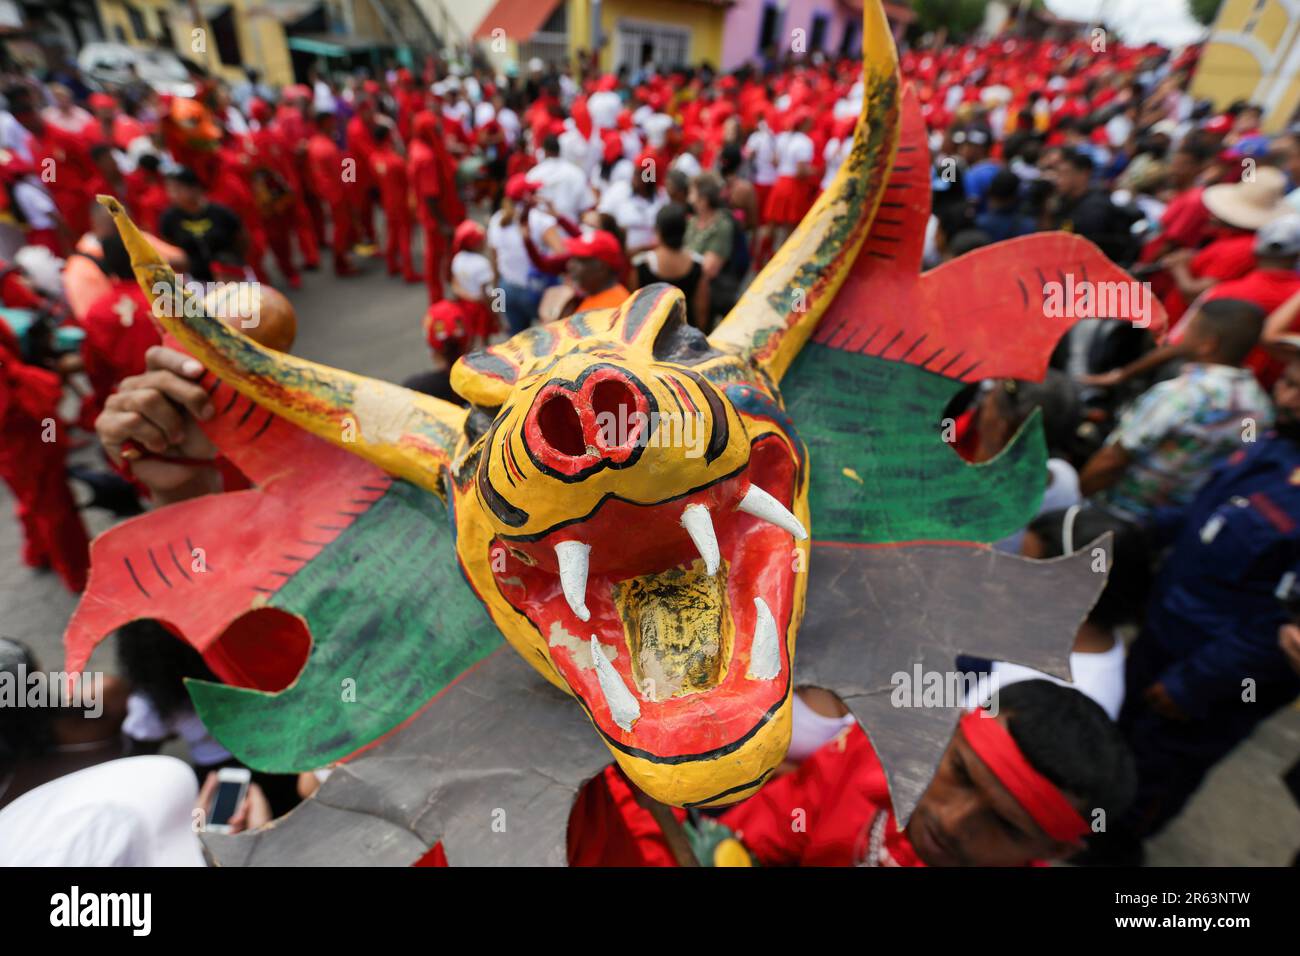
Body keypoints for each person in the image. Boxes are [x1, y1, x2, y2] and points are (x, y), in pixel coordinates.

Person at [1082, 356, 1300, 864]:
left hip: (1211, 678)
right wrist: (1129, 534)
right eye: (1288, 383)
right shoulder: (1269, 446)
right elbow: (1205, 513)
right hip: (1163, 632)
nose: (1289, 399)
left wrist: (1196, 683)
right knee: (1110, 741)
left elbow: (1280, 627)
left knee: (1153, 772)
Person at [570, 680, 1136, 866]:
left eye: (1007, 826)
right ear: (946, 737)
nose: (952, 820)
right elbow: (758, 837)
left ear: (1054, 852)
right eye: (960, 773)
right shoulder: (873, 750)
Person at [1080, 298, 1274, 521]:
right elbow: (1241, 453)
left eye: (1191, 327)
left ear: (1208, 344)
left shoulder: (1180, 396)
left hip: (1119, 512)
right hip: (1178, 524)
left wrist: (1075, 497)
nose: (1183, 333)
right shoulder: (1259, 407)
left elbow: (1113, 460)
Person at [157, 166, 246, 282]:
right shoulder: (169, 219)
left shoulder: (220, 212)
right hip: (198, 281)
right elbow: (170, 247)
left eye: (178, 188)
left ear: (194, 188)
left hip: (234, 275)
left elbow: (241, 239)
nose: (172, 194)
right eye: (170, 189)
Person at [631, 203, 709, 330]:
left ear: (658, 230)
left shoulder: (642, 265)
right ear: (685, 230)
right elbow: (701, 310)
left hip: (649, 336)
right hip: (686, 337)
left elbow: (634, 309)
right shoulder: (697, 265)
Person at [306, 112, 356, 277]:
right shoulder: (327, 148)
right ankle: (341, 263)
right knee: (341, 229)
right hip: (337, 194)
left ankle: (342, 260)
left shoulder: (315, 143)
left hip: (327, 192)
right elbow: (343, 174)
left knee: (338, 228)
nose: (335, 125)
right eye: (332, 122)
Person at [684, 172, 736, 328]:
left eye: (692, 193)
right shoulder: (693, 221)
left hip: (707, 295)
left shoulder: (721, 226)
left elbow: (710, 269)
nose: (689, 198)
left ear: (703, 200)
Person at [369, 123, 419, 284]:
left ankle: (391, 265)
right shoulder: (396, 161)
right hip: (402, 202)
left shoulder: (373, 159)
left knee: (391, 233)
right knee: (405, 237)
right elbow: (408, 182)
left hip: (387, 202)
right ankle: (408, 272)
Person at [563, 229, 629, 313]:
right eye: (573, 258)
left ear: (602, 267)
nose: (570, 264)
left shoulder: (611, 309)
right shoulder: (595, 295)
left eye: (580, 260)